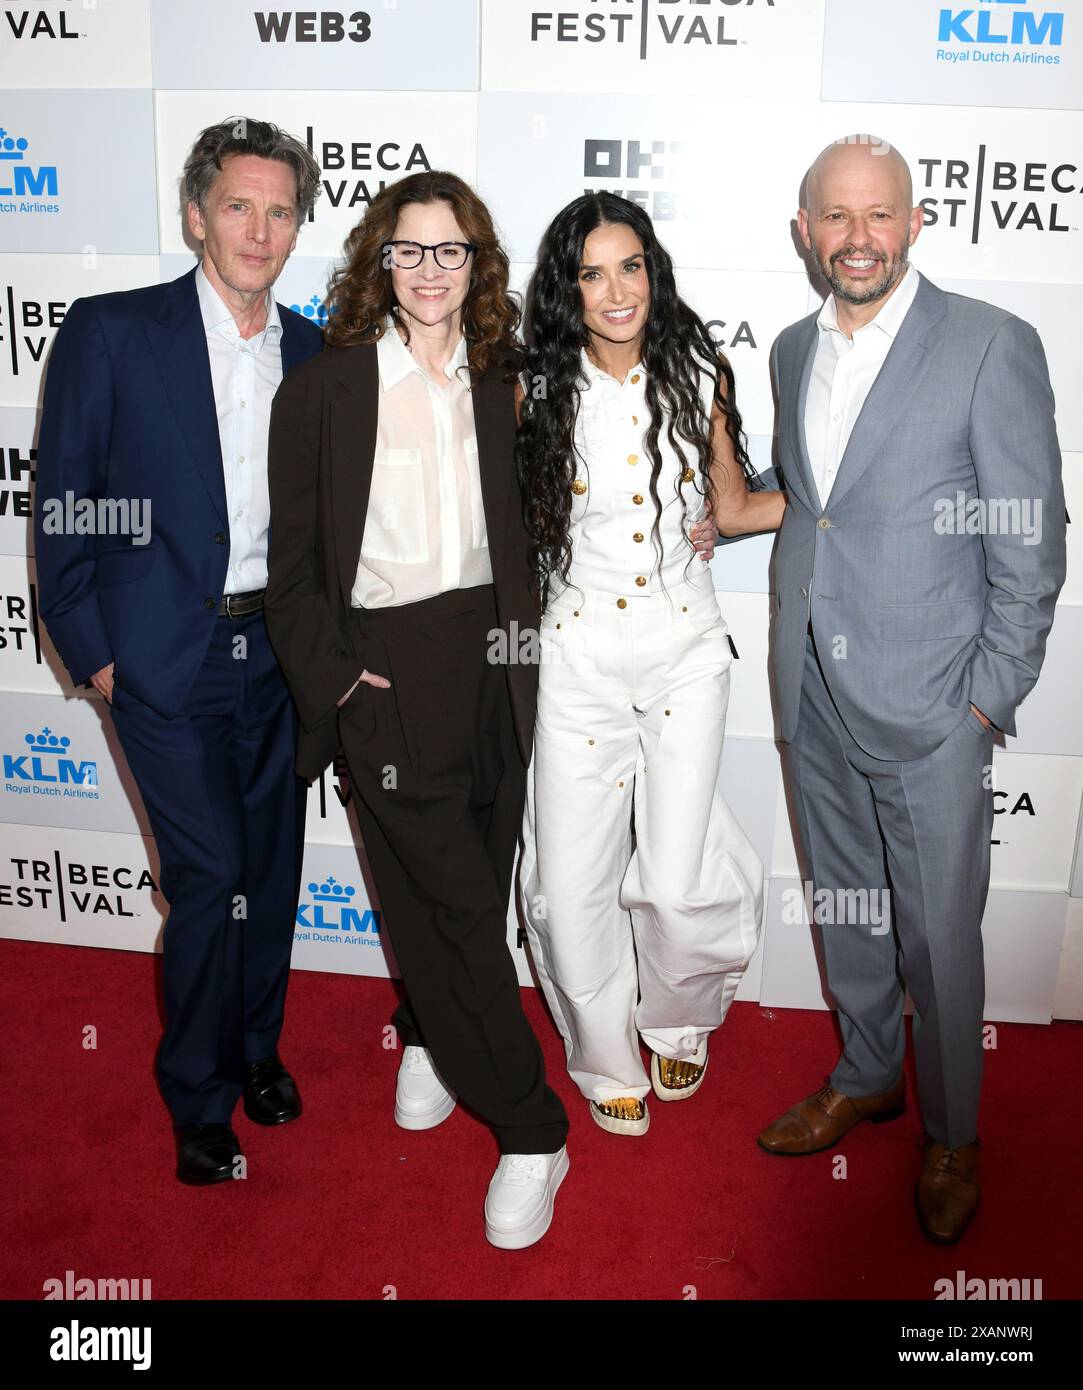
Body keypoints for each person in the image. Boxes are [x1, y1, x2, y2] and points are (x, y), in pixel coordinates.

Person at [750, 134, 1065, 1244]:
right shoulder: (790, 351)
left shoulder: (989, 344)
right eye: (835, 216)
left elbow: (1029, 536)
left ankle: (953, 1133)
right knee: (844, 903)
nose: (858, 237)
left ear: (916, 221)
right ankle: (868, 1070)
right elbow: (811, 506)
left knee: (940, 936)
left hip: (935, 702)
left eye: (878, 214)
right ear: (805, 230)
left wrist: (987, 697)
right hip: (812, 691)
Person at [263, 170, 570, 1249]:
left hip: (496, 655)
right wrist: (343, 682)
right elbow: (292, 568)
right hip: (386, 669)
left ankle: (431, 1030)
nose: (430, 270)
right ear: (378, 261)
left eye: (451, 251)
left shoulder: (506, 378)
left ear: (477, 264)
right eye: (410, 249)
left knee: (478, 887)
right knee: (442, 899)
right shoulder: (327, 389)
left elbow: (542, 523)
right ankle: (536, 1129)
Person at [34, 118, 325, 1185]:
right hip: (163, 656)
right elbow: (64, 500)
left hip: (280, 657)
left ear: (299, 225)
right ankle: (198, 1093)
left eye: (280, 209)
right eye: (238, 206)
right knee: (206, 878)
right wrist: (94, 655)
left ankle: (258, 1048)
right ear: (197, 213)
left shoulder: (313, 349)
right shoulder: (115, 333)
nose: (258, 229)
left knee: (271, 872)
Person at [516, 192, 771, 1136]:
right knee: (572, 878)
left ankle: (678, 1020)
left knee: (671, 875)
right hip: (576, 653)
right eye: (591, 273)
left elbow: (736, 508)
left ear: (653, 272)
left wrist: (837, 503)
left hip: (683, 651)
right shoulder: (533, 383)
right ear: (566, 289)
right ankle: (602, 1054)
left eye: (630, 267)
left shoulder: (698, 368)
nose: (615, 290)